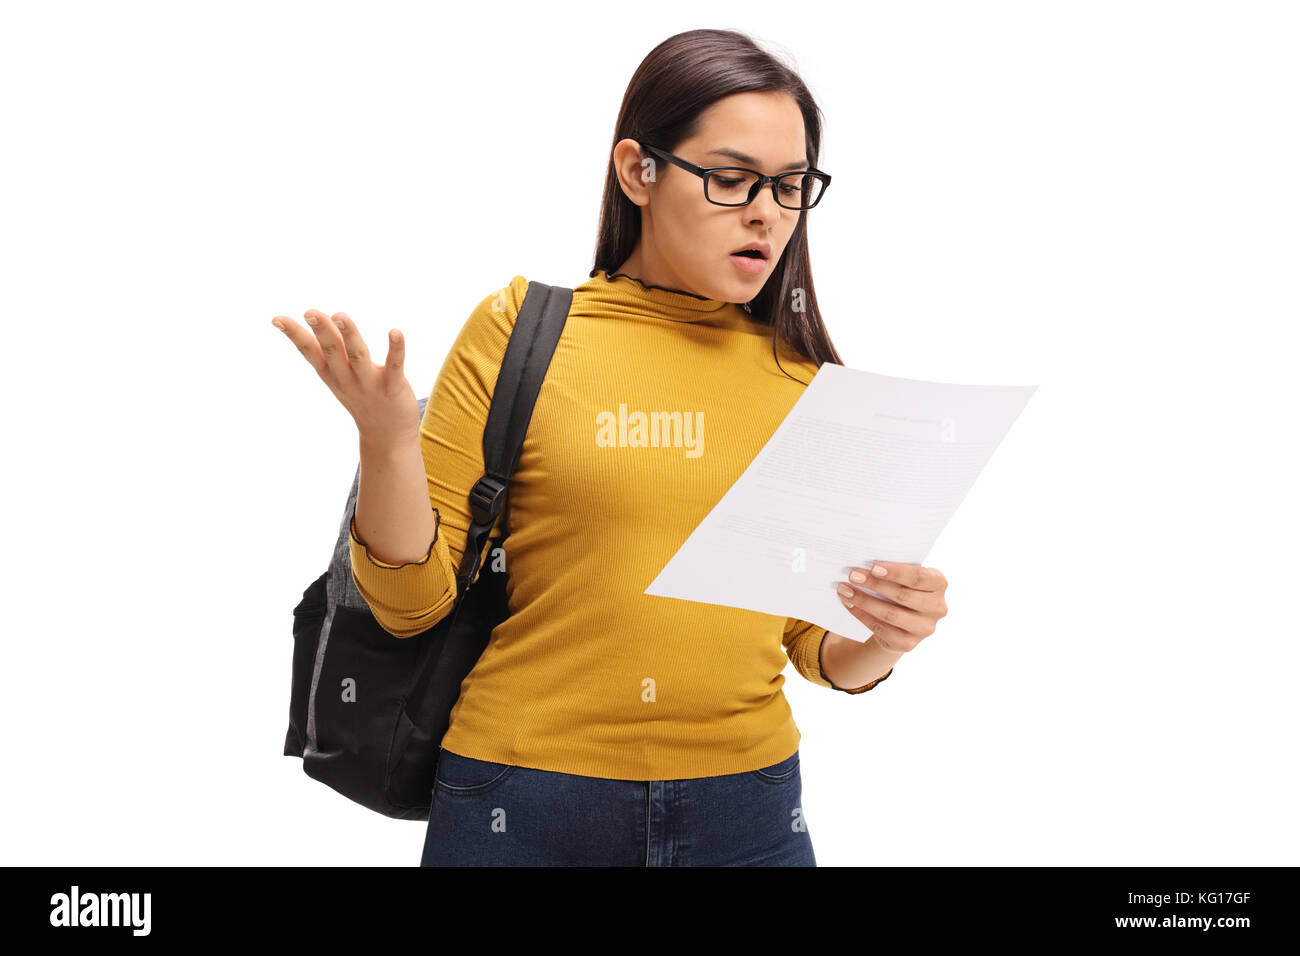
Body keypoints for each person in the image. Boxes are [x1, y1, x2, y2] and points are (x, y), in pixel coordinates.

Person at [272, 28, 949, 866]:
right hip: (522, 802)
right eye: (732, 178)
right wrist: (387, 444)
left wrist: (888, 633)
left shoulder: (805, 383)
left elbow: (822, 654)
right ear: (639, 170)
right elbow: (412, 604)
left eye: (790, 184)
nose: (766, 212)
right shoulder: (522, 330)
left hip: (751, 812)